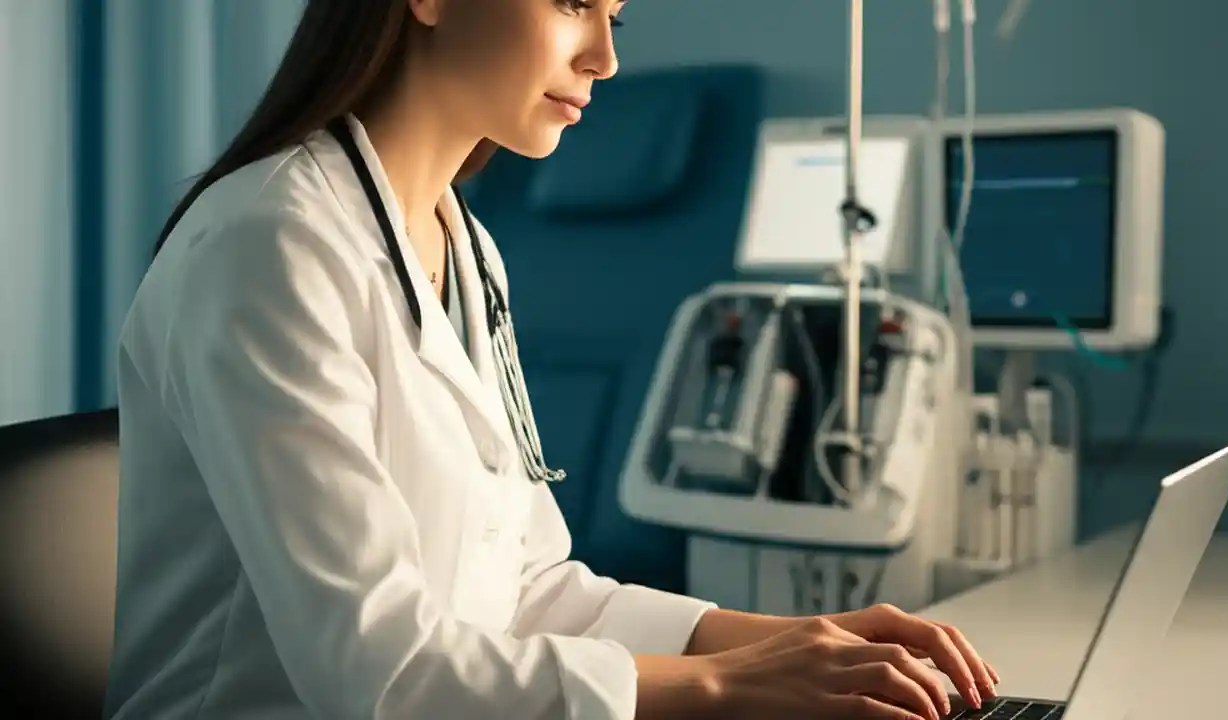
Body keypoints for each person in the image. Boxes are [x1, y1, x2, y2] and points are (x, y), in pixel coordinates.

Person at [103, 1, 1000, 718]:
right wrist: (733, 688)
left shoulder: (467, 249)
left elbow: (528, 588)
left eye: (615, 16)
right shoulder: (269, 242)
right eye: (574, 4)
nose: (604, 57)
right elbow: (380, 670)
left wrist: (793, 642)